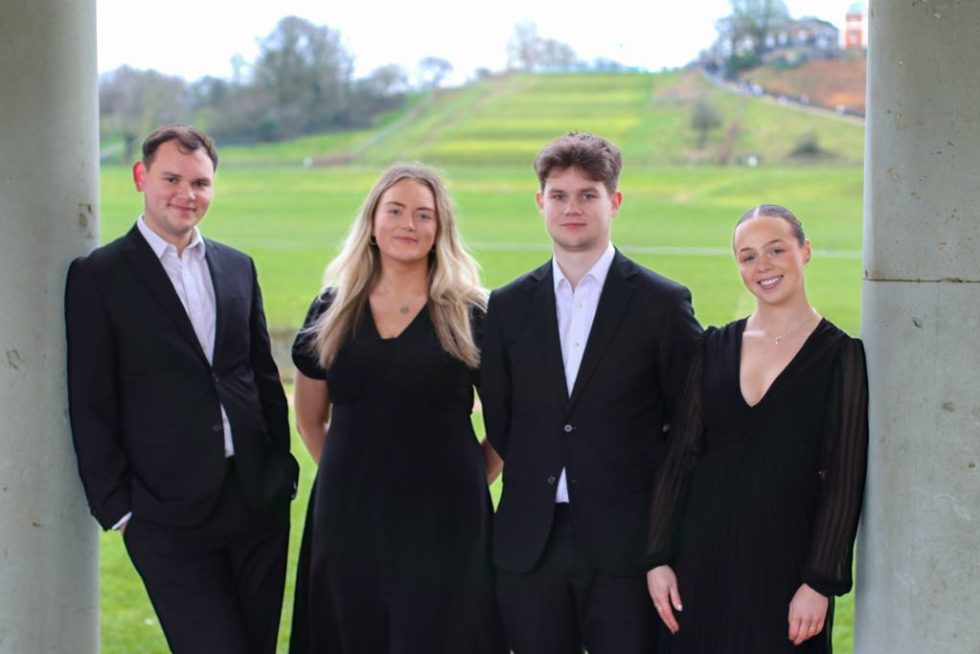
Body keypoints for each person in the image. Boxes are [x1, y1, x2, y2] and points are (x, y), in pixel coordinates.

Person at [65, 125, 299, 653]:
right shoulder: (98, 276)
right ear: (141, 177)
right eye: (172, 178)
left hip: (256, 497)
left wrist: (280, 470)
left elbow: (261, 376)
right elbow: (90, 398)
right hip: (163, 511)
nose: (186, 194)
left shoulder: (238, 267)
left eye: (200, 183)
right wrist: (119, 508)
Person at [480, 132, 702, 653]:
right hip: (530, 544)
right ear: (540, 203)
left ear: (614, 201)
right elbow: (502, 420)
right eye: (558, 195)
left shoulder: (662, 304)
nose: (571, 208)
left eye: (587, 195)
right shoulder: (508, 306)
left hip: (629, 549)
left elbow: (689, 427)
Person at [288, 162, 506, 654]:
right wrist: (353, 475)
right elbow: (308, 418)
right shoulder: (331, 307)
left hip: (447, 516)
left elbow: (506, 427)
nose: (409, 224)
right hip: (348, 514)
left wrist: (470, 479)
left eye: (424, 215)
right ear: (372, 221)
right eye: (396, 210)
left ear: (440, 229)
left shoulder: (472, 313)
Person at [645, 204, 869, 653]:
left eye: (775, 249)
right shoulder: (713, 346)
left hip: (786, 568)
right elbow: (681, 456)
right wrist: (658, 559)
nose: (762, 266)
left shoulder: (841, 356)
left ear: (805, 251)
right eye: (747, 256)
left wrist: (818, 583)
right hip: (699, 562)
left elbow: (845, 478)